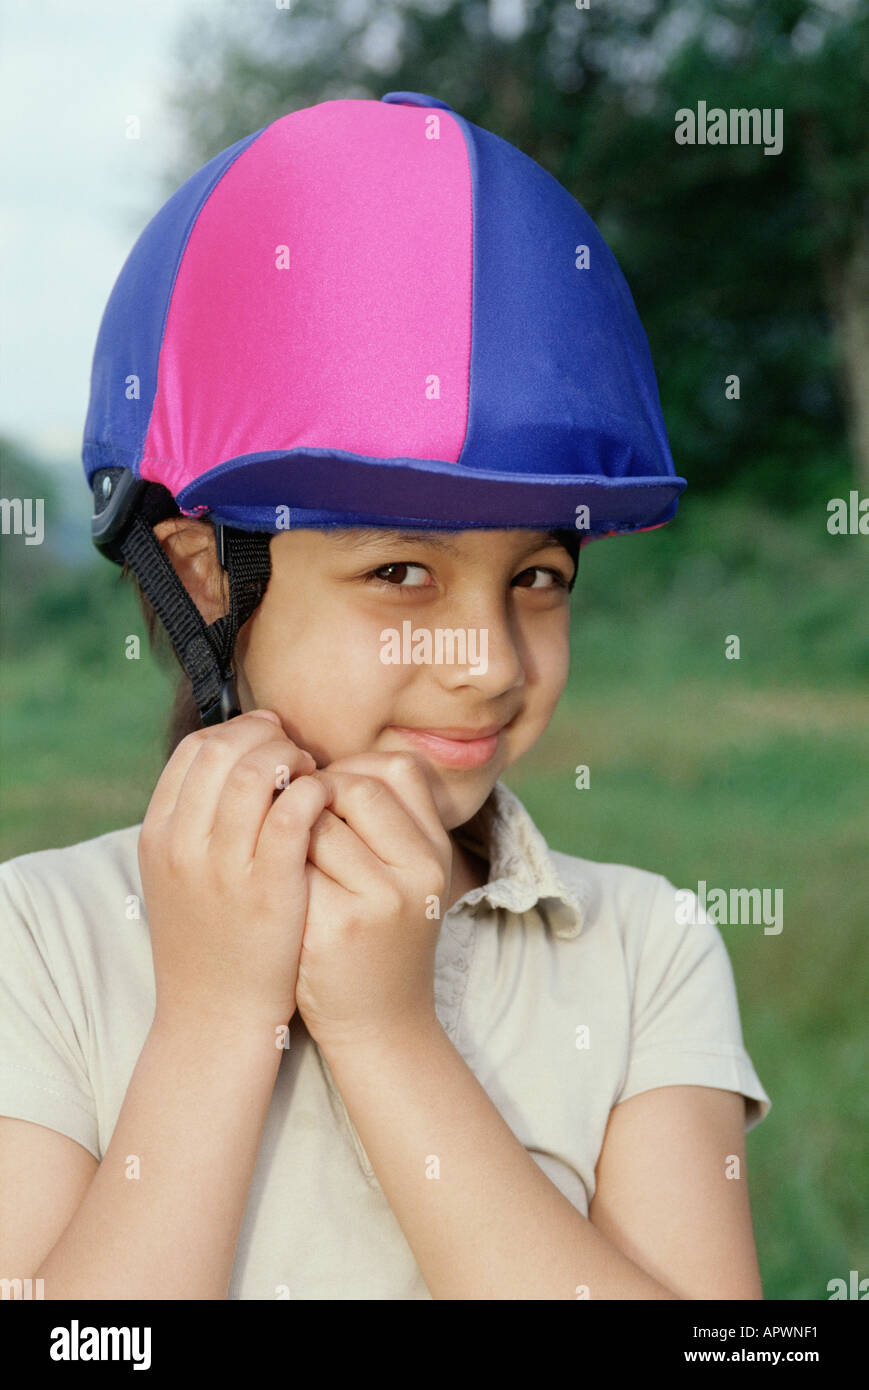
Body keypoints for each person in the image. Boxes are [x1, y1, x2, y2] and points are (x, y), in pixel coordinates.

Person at [0, 91, 770, 1301]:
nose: (491, 660)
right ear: (206, 581)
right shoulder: (37, 942)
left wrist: (388, 1033)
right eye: (400, 571)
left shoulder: (642, 951)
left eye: (536, 576)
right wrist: (210, 1018)